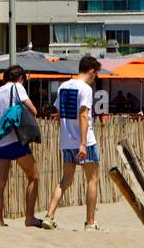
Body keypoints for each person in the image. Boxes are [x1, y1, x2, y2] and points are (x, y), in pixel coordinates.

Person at [35, 55, 102, 231]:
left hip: (66, 141)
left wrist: (66, 134)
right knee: (93, 180)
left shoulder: (63, 86)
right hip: (84, 141)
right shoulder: (85, 89)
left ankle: (49, 216)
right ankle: (90, 222)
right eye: (96, 75)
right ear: (92, 71)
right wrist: (82, 143)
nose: (95, 79)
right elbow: (83, 115)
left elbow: (58, 113)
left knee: (65, 180)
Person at [0, 65, 43, 228]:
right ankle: (29, 218)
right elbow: (33, 110)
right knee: (34, 176)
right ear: (20, 78)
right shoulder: (17, 87)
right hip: (15, 139)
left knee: (0, 181)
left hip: (0, 141)